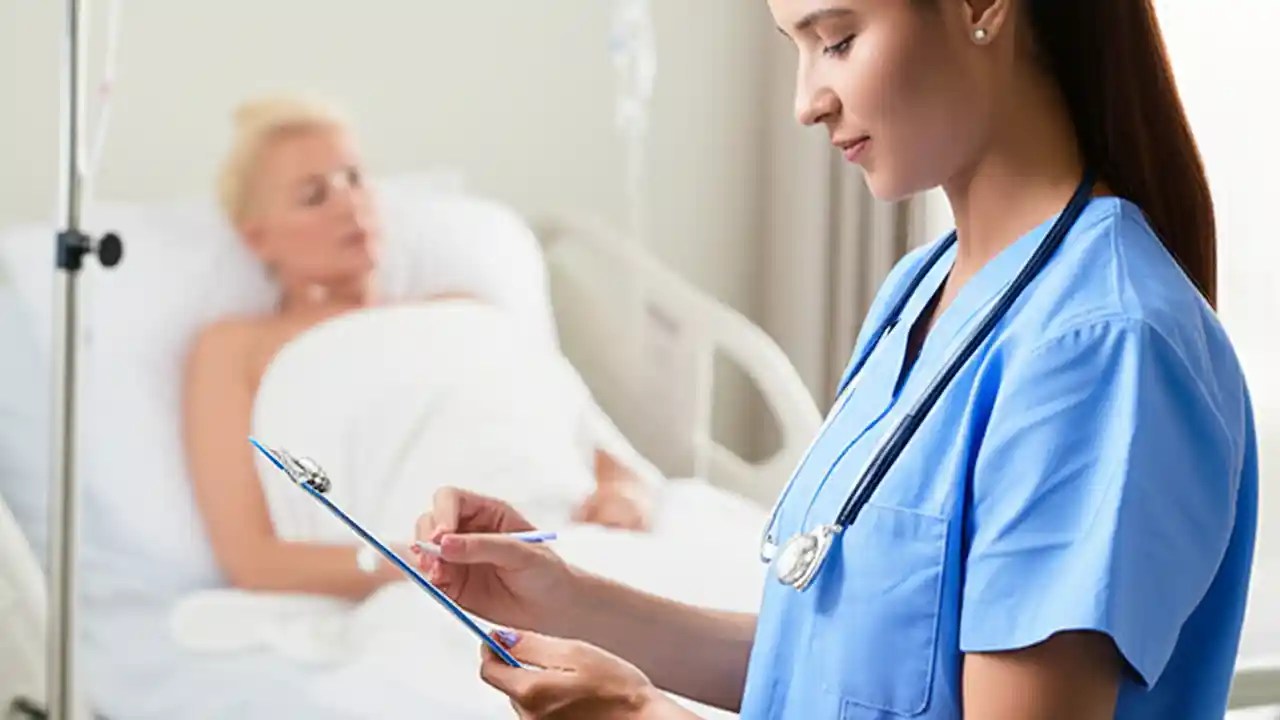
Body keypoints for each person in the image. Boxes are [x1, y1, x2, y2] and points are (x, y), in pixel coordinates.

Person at [410, 0, 1259, 718]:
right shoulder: (919, 291)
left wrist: (644, 712)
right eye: (797, 48)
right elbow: (831, 670)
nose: (805, 103)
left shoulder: (1098, 350)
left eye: (839, 41)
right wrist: (564, 598)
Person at [182, 96, 654, 602]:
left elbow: (605, 450)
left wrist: (623, 496)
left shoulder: (468, 310)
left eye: (355, 179)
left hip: (581, 546)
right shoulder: (237, 348)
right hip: (439, 583)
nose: (349, 203)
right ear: (257, 239)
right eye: (314, 195)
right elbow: (253, 561)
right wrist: (429, 564)